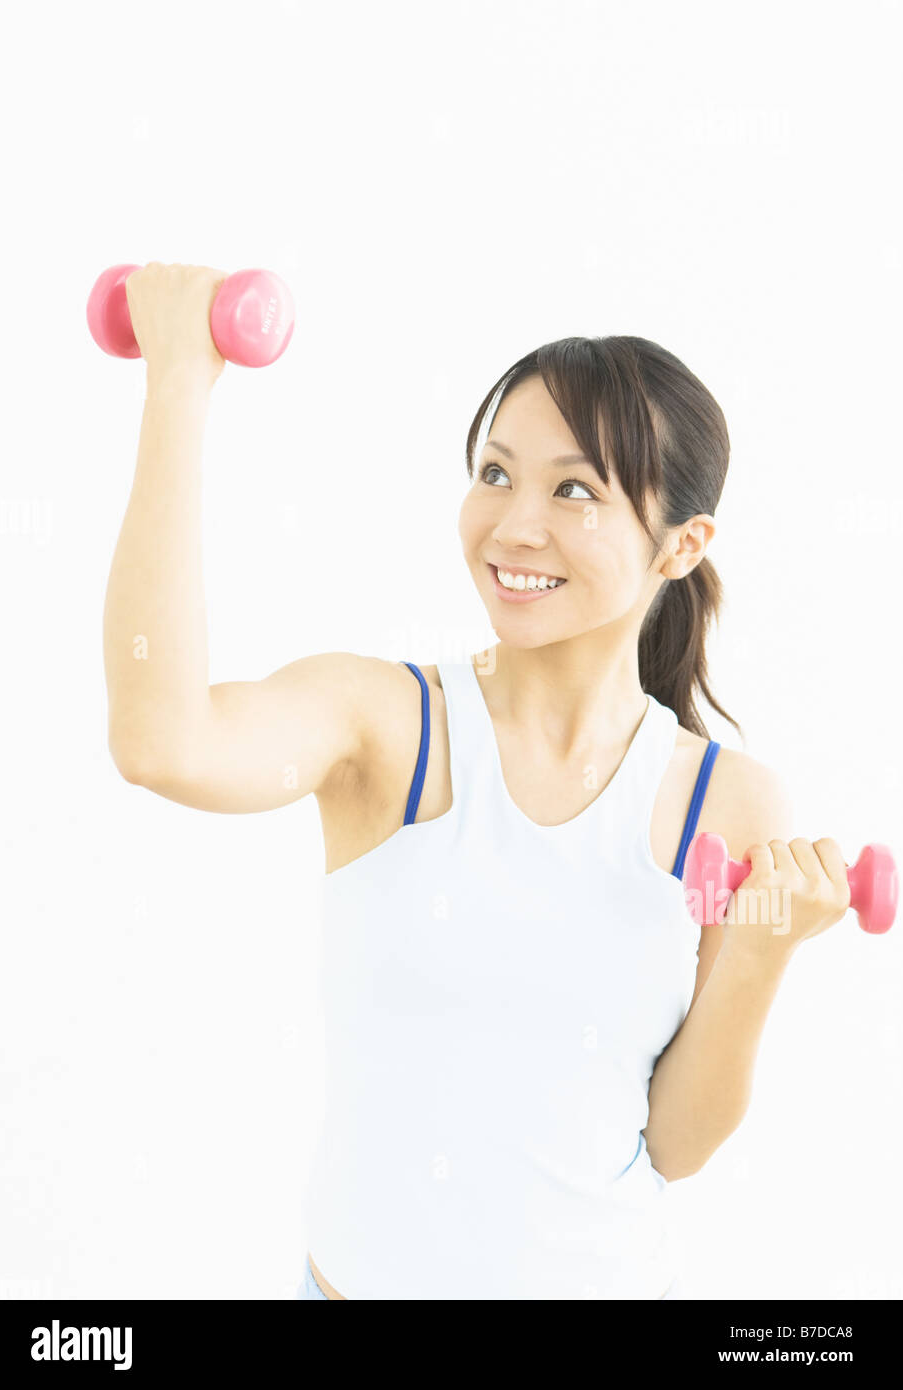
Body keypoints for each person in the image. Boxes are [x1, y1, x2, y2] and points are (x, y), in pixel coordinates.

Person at [103, 264, 853, 1300]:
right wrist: (179, 381)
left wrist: (761, 952)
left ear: (680, 545)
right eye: (495, 472)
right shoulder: (384, 728)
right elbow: (164, 742)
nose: (513, 525)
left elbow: (674, 1143)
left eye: (574, 489)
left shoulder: (723, 806)